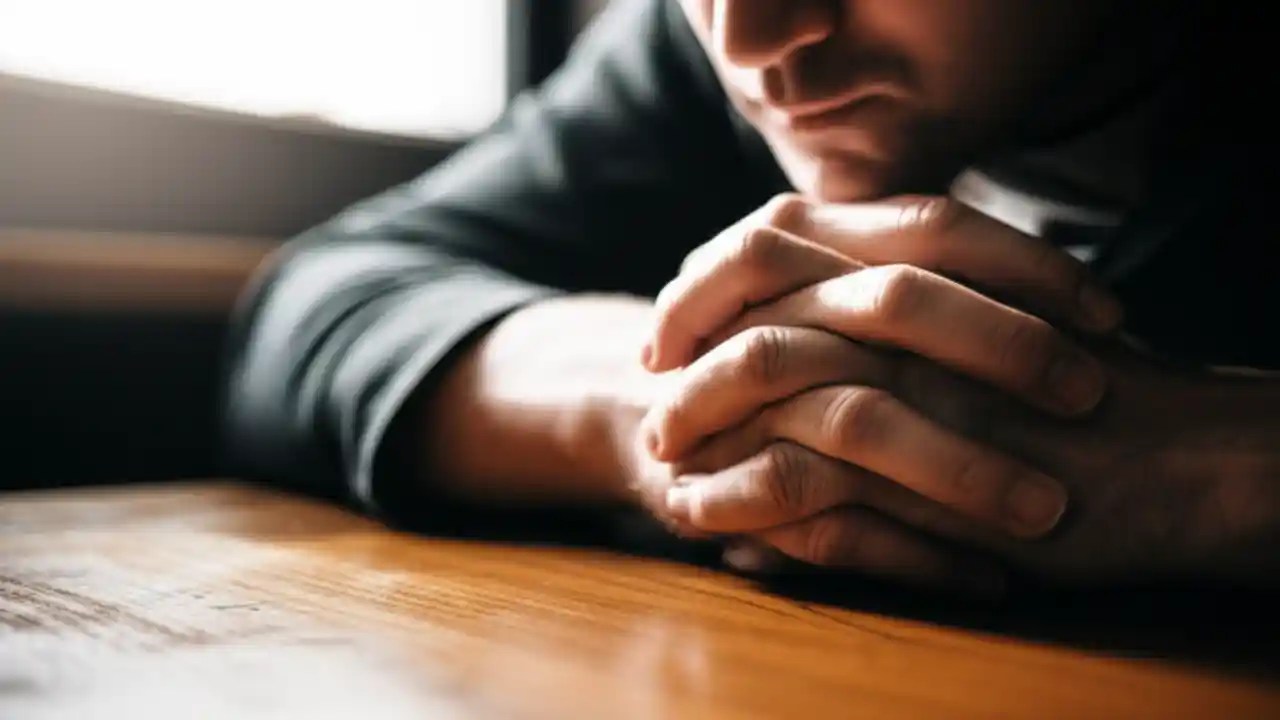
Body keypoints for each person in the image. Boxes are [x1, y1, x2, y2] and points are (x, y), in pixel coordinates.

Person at [225, 0, 1278, 595]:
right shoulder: (692, 58)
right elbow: (313, 307)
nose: (746, 38)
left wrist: (1221, 480)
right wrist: (676, 402)